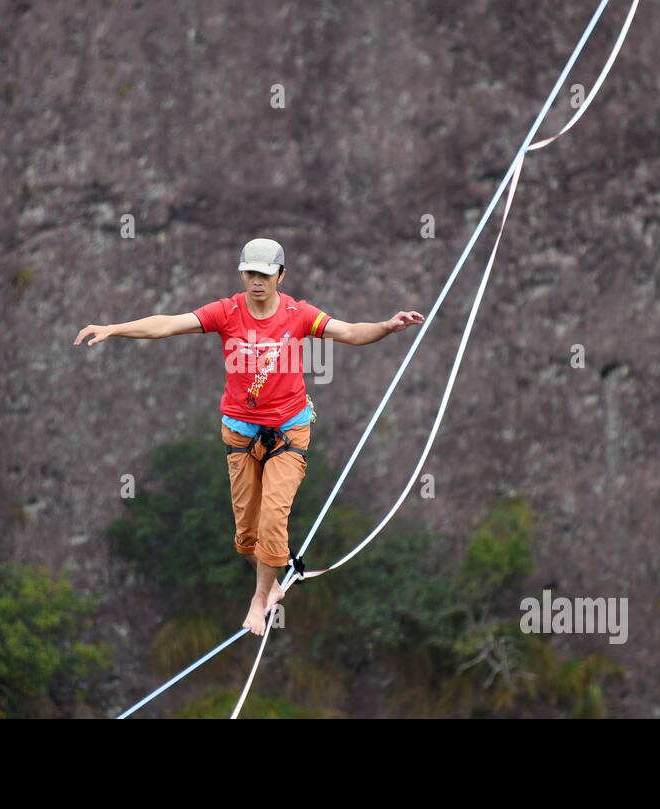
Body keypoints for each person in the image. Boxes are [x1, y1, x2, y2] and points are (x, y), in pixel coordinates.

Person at [75, 238, 423, 635]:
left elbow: (349, 332)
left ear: (280, 276)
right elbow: (169, 324)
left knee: (274, 520)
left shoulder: (298, 314)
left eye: (265, 274)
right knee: (246, 539)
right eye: (250, 273)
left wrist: (387, 326)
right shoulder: (227, 312)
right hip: (240, 433)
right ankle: (270, 583)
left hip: (289, 431)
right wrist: (114, 329)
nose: (256, 282)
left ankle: (259, 600)